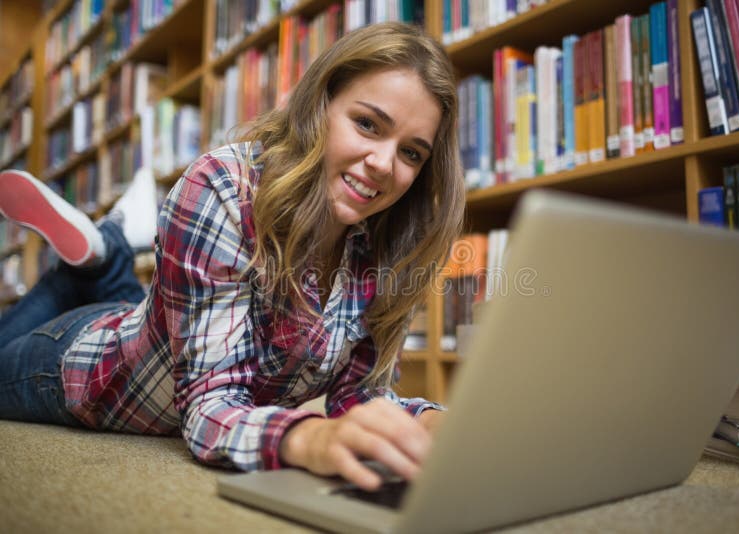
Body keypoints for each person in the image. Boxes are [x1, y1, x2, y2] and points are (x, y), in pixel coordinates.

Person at [0, 22, 464, 491]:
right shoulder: (224, 187)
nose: (384, 164)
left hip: (161, 328)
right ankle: (99, 257)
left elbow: (360, 399)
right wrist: (310, 438)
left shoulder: (388, 245)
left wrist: (426, 425)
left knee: (152, 312)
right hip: (86, 372)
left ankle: (105, 254)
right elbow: (208, 407)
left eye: (411, 153)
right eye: (366, 124)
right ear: (319, 106)